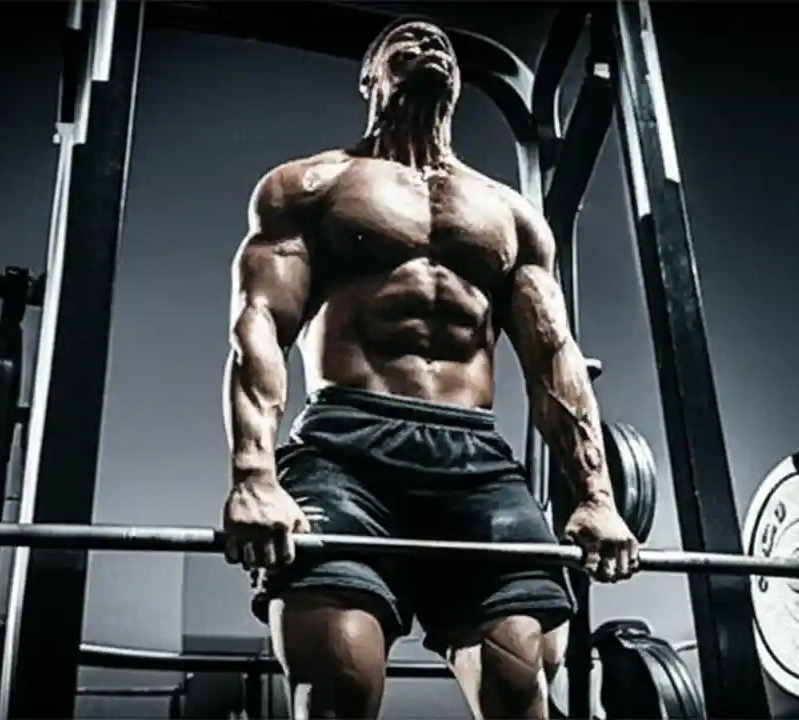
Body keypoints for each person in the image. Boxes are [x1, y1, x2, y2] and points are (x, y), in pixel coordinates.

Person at [221, 16, 638, 720]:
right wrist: (254, 477)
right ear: (370, 77)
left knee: (519, 685)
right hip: (346, 448)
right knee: (341, 683)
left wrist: (596, 496)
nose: (432, 48)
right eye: (409, 41)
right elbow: (260, 324)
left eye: (442, 43)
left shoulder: (509, 214)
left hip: (475, 457)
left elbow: (552, 356)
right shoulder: (309, 185)